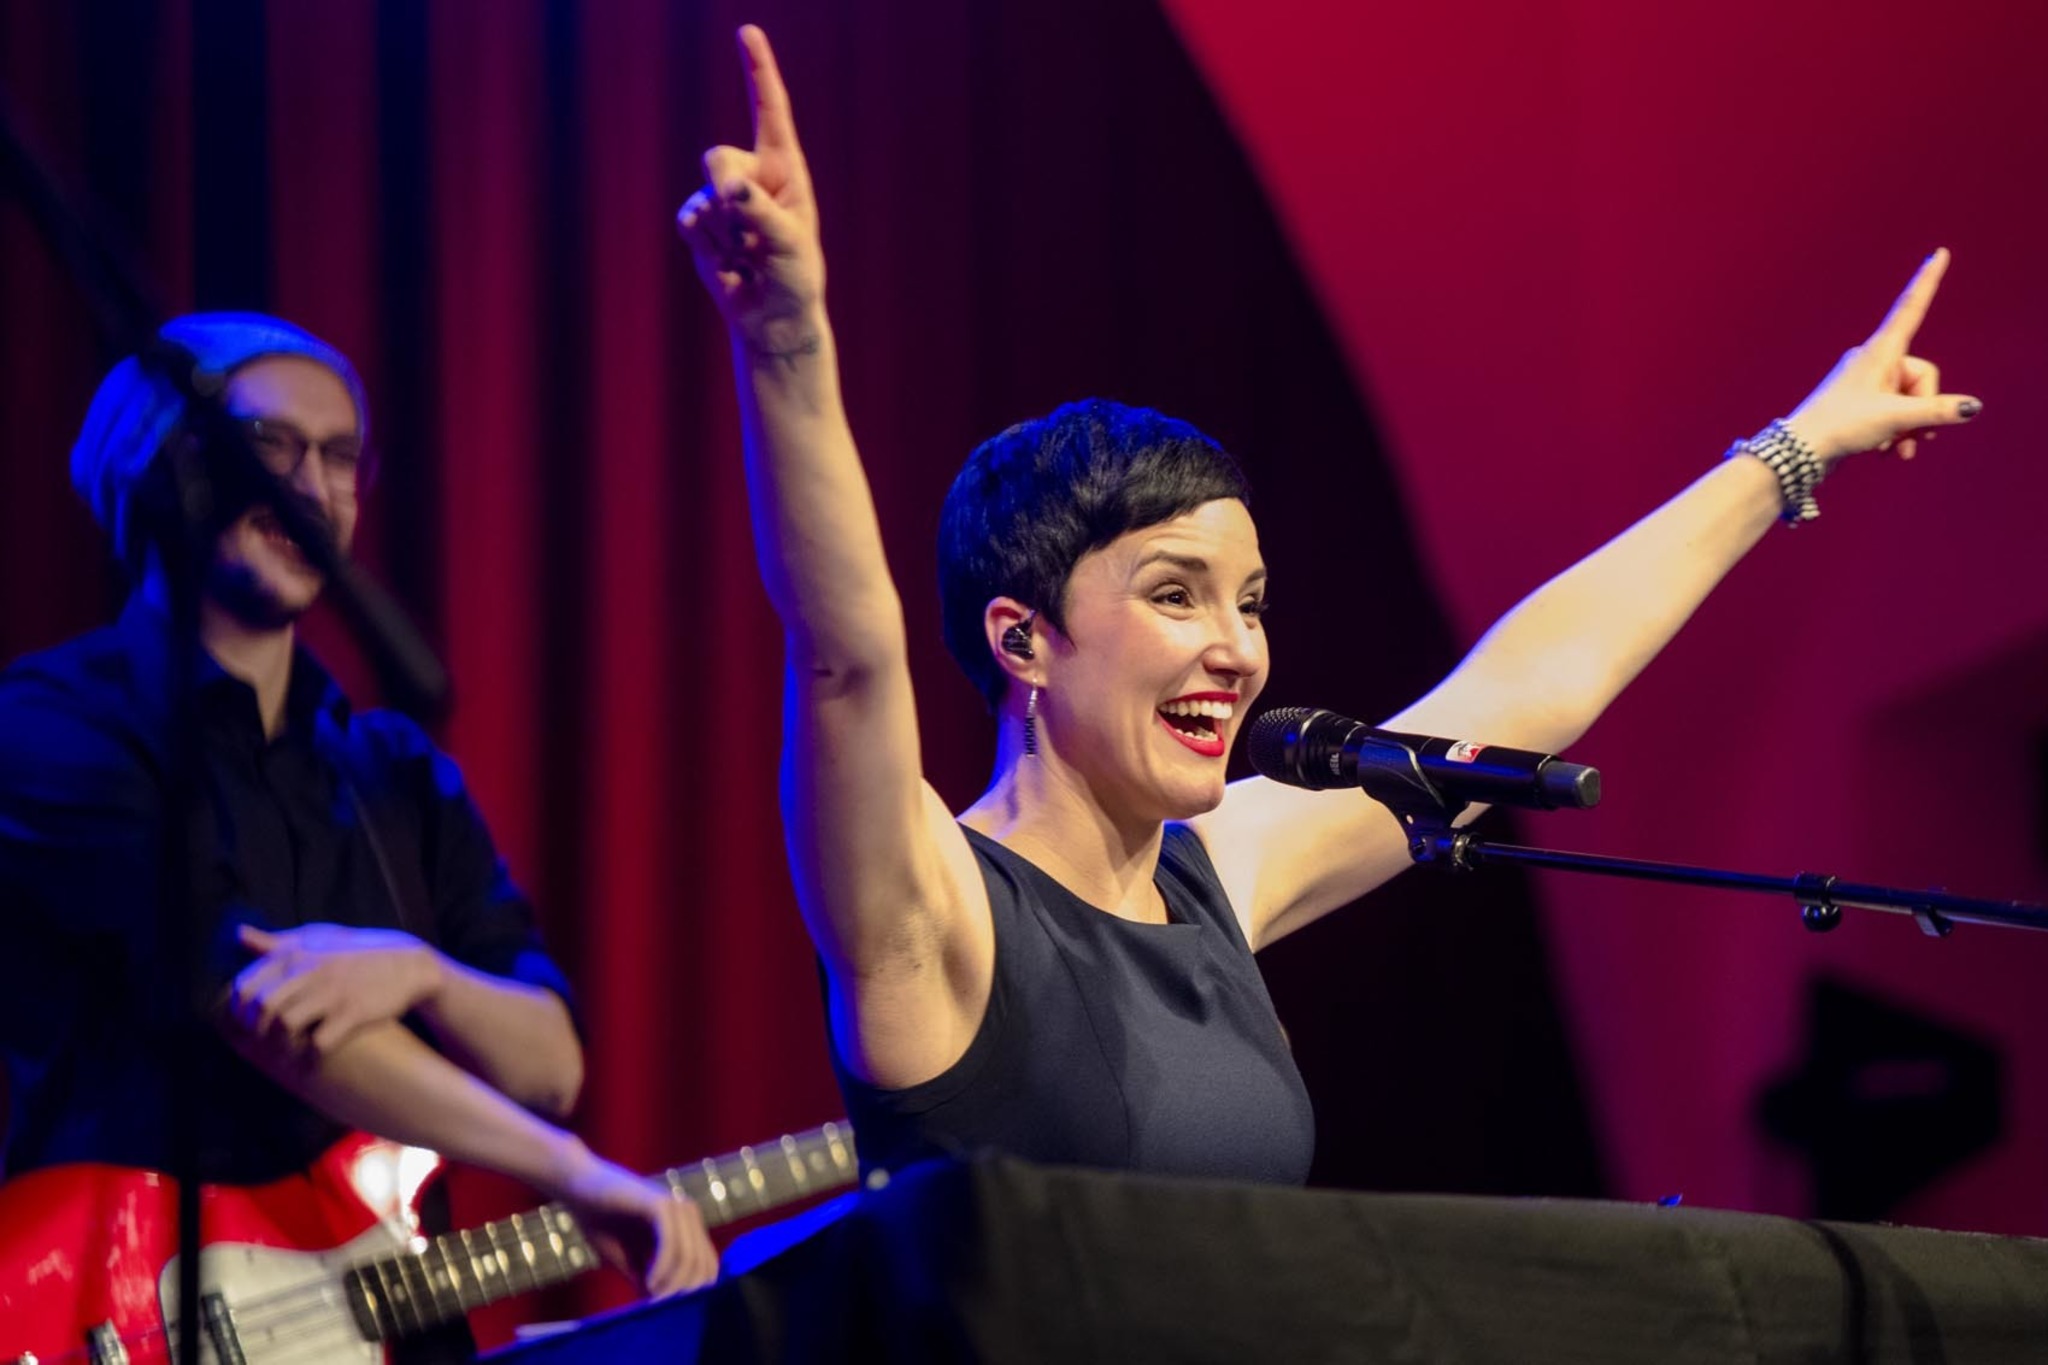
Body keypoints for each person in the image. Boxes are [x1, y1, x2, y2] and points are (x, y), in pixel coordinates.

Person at [676, 28, 1981, 1184]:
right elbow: (846, 659)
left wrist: (1797, 451)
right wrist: (788, 344)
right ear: (1023, 638)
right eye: (1175, 596)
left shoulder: (1218, 872)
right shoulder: (934, 905)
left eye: (1247, 601)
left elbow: (1520, 691)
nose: (1235, 649)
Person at [0, 314, 717, 1358]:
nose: (312, 485)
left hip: (378, 1324)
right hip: (111, 1311)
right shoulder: (52, 722)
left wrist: (416, 971)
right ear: (159, 465)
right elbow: (253, 1008)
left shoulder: (392, 769)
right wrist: (570, 1173)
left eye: (340, 458)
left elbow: (548, 1066)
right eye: (270, 447)